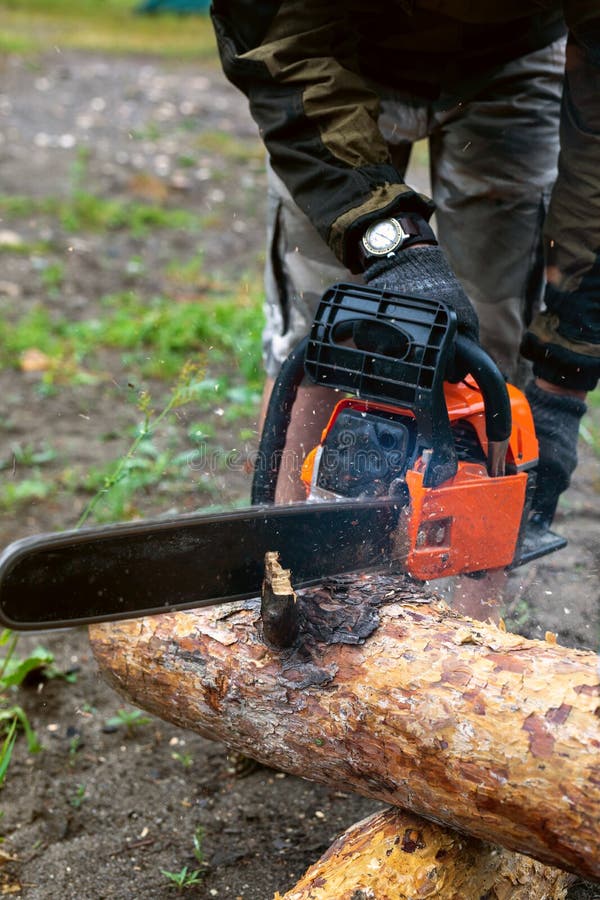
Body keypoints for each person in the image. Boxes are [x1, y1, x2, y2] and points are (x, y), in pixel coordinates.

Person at [210, 3, 599, 522]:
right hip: (331, 47)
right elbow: (275, 38)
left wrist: (563, 378)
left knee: (494, 349)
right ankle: (284, 567)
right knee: (324, 336)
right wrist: (388, 243)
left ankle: (473, 599)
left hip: (514, 56)